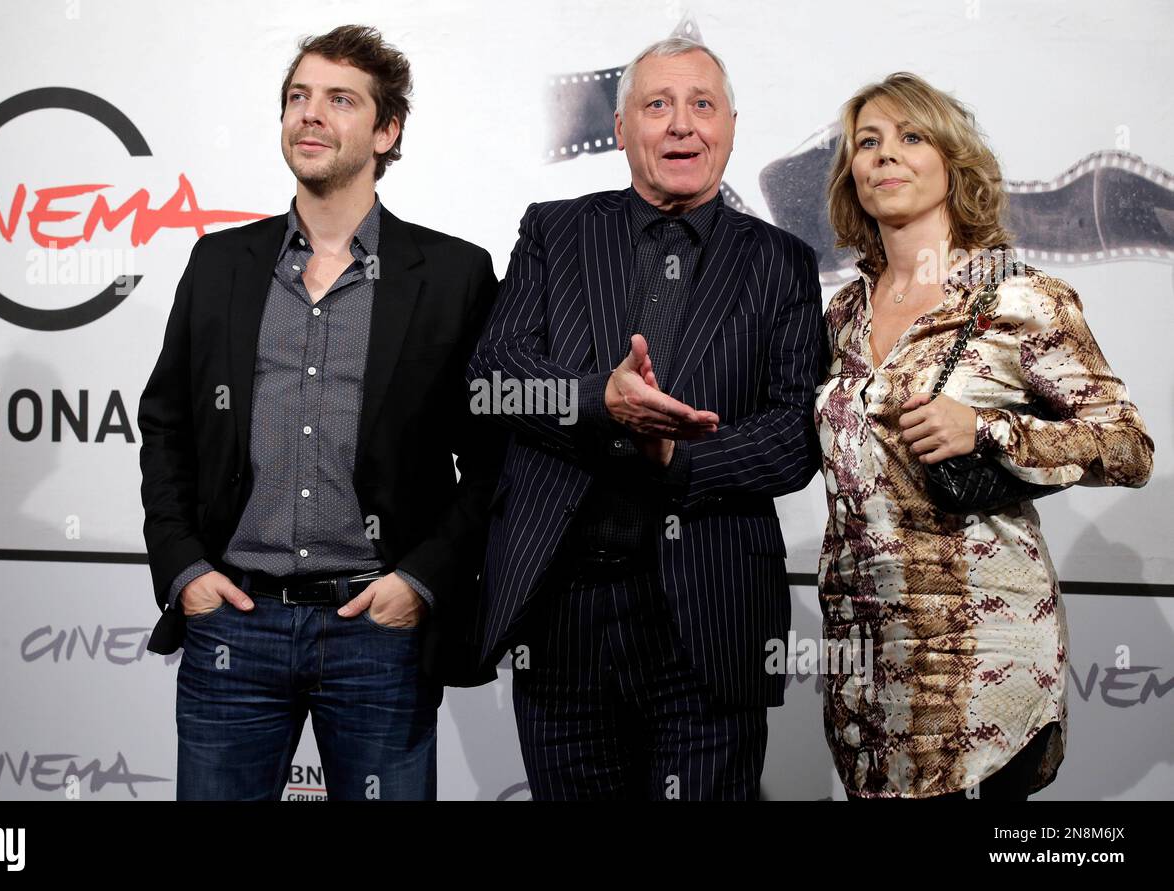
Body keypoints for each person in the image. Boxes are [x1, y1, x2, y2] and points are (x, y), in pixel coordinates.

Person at [138, 25, 503, 801]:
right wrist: (183, 569)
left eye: (341, 100)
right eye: (298, 98)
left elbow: (494, 457)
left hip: (378, 631)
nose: (311, 115)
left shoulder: (453, 275)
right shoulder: (218, 263)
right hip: (232, 624)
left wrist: (421, 580)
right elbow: (166, 423)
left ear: (386, 129)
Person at [468, 37, 826, 800]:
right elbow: (494, 376)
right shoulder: (555, 231)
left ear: (731, 124)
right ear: (623, 128)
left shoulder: (783, 262)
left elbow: (796, 434)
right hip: (562, 611)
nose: (681, 125)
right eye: (656, 105)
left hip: (712, 616)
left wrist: (676, 457)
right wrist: (601, 400)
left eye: (703, 104)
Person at [816, 71, 1154, 800]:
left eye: (911, 137)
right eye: (867, 143)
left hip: (980, 656)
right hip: (866, 658)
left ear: (952, 161)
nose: (885, 155)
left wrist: (988, 429)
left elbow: (1129, 445)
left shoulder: (1017, 296)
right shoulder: (842, 312)